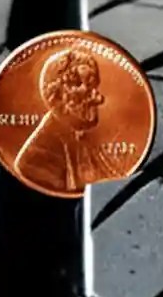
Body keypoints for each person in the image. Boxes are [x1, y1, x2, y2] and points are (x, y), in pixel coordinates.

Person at [16, 47, 123, 192]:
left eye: (93, 85)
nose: (97, 97)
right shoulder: (34, 160)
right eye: (82, 85)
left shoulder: (82, 140)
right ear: (60, 92)